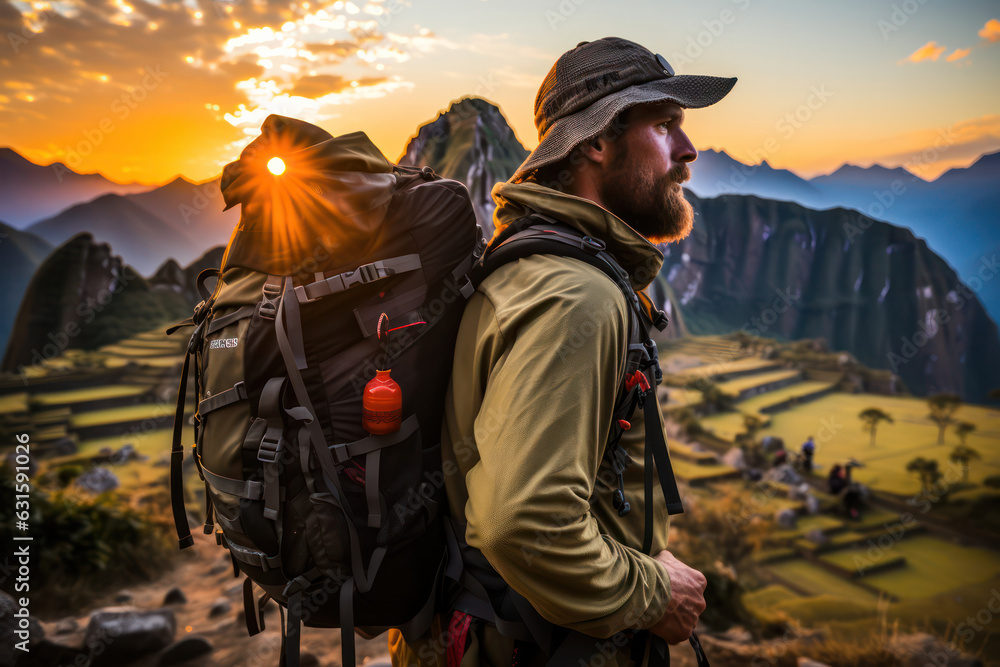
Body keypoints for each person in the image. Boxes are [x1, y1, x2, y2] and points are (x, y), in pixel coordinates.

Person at [388, 37, 736, 667]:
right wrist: (656, 595)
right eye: (664, 127)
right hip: (531, 645)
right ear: (596, 142)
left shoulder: (529, 259)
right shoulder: (577, 296)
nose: (687, 152)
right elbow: (521, 523)